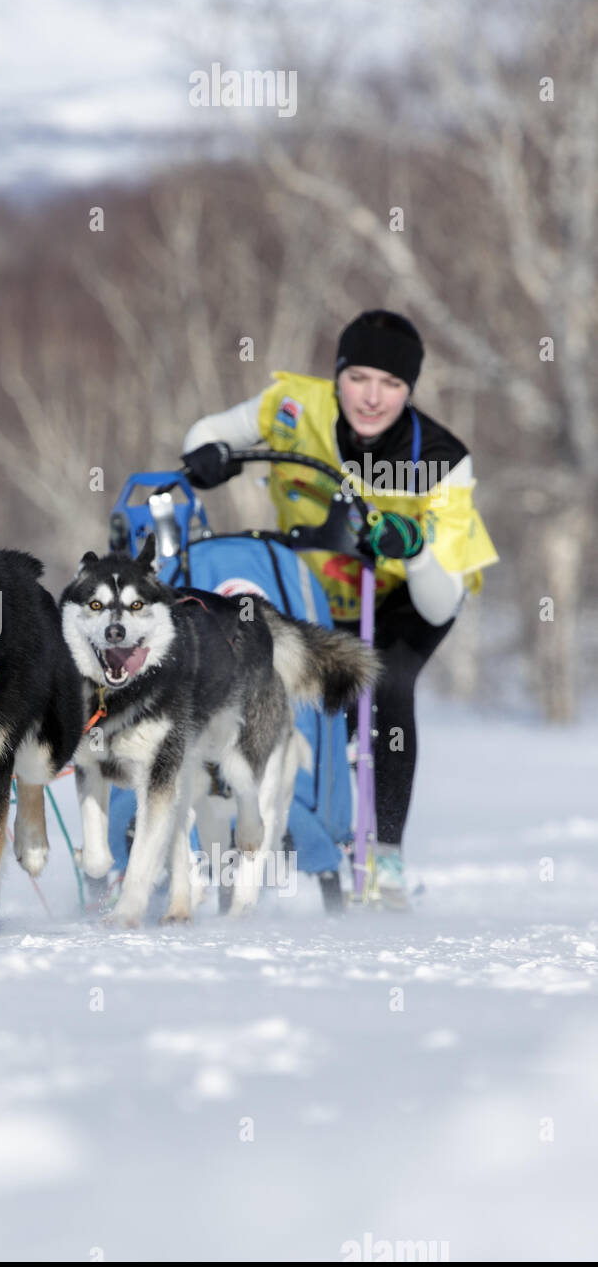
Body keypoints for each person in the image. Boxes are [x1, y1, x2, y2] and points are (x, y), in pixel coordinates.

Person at [180, 310, 497, 907]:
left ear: (409, 390)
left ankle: (386, 858)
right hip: (316, 589)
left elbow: (441, 601)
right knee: (285, 689)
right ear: (338, 375)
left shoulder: (442, 458)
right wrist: (214, 457)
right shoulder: (295, 407)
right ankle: (275, 827)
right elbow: (203, 435)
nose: (373, 398)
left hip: (408, 598)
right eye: (360, 378)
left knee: (385, 684)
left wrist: (417, 546)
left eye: (392, 385)